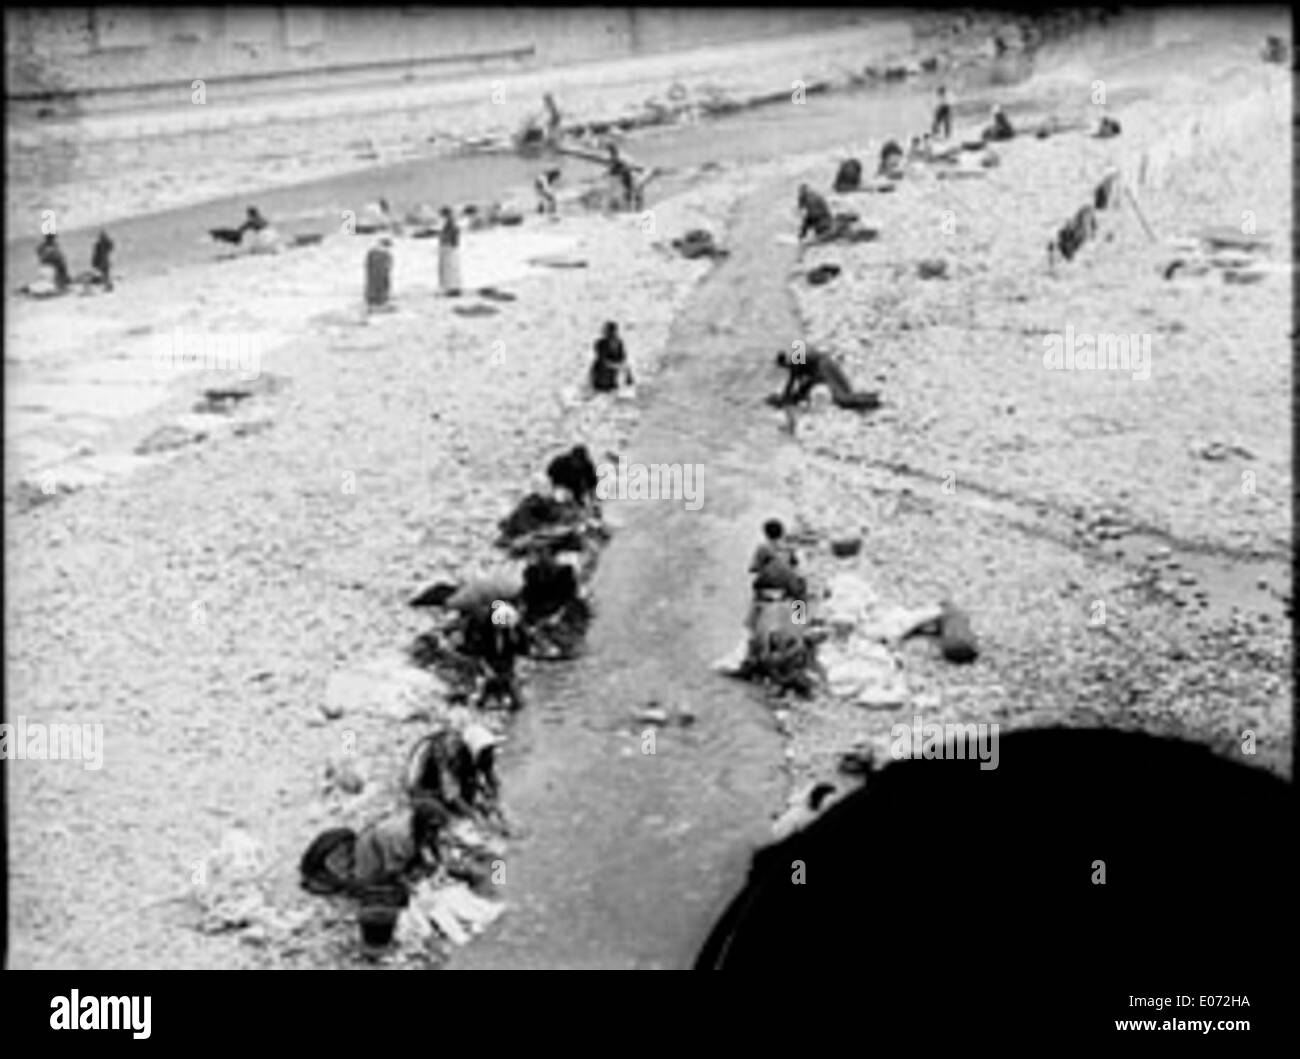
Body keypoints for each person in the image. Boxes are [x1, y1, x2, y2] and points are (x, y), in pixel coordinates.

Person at [774, 348, 880, 411]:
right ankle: (871, 397)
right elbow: (805, 382)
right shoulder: (796, 356)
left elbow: (791, 385)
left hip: (823, 366)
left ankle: (872, 401)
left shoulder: (794, 362)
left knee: (841, 398)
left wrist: (784, 400)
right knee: (845, 392)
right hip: (826, 362)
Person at [477, 602, 528, 711]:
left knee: (517, 698)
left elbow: (520, 652)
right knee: (487, 687)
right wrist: (487, 670)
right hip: (490, 668)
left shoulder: (511, 633)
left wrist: (516, 668)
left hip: (507, 668)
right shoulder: (485, 633)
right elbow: (480, 655)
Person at [590, 321, 634, 392]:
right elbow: (603, 361)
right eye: (605, 331)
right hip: (600, 374)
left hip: (611, 376)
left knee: (612, 391)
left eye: (606, 330)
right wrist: (621, 367)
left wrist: (628, 375)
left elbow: (623, 359)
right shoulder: (601, 343)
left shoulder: (619, 343)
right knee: (601, 392)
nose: (604, 332)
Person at [438, 207, 462, 295]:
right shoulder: (451, 223)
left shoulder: (451, 224)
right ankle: (452, 288)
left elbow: (450, 237)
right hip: (451, 248)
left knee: (450, 269)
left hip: (450, 248)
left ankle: (452, 288)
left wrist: (444, 240)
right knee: (452, 269)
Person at [365, 237, 393, 310]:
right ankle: (380, 301)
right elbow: (388, 265)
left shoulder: (372, 252)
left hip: (373, 273)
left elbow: (368, 264)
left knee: (373, 285)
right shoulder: (385, 254)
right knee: (381, 285)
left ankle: (373, 301)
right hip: (380, 273)